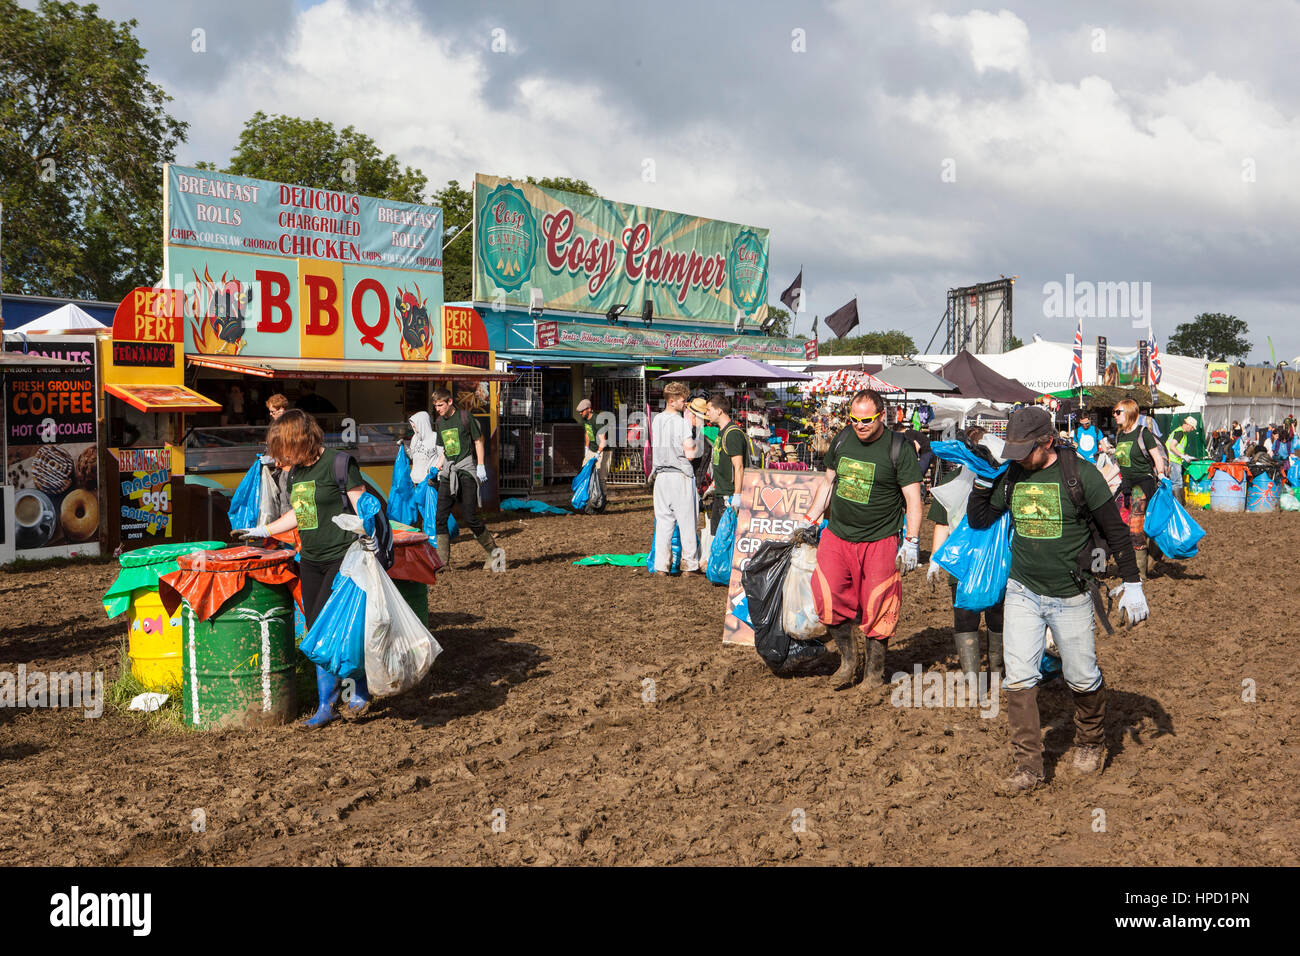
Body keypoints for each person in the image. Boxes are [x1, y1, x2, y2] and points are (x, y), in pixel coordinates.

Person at [968, 406, 1147, 793]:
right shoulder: (1014, 473)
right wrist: (982, 481)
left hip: (1072, 595)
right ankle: (1028, 767)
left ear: (1046, 442)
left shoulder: (1081, 475)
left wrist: (1132, 583)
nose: (1016, 459)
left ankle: (1090, 741)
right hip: (1022, 590)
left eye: (1024, 450)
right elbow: (980, 518)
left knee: (1081, 676)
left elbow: (1115, 532)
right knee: (1018, 679)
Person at [233, 409, 371, 728]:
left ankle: (341, 696)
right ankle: (334, 701)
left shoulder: (339, 464)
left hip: (343, 556)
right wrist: (263, 531)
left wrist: (371, 536)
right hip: (310, 559)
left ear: (299, 440)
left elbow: (363, 507)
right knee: (315, 628)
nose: (279, 456)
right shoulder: (296, 473)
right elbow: (301, 513)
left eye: (283, 446)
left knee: (332, 627)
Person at [799, 389, 923, 689]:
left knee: (879, 602)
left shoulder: (898, 447)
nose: (860, 425)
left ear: (882, 416)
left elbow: (913, 499)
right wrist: (808, 520)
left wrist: (912, 542)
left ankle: (874, 673)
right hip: (838, 535)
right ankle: (849, 661)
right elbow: (828, 483)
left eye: (866, 419)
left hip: (880, 539)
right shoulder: (842, 439)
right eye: (854, 419)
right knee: (826, 594)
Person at [926, 426, 1002, 681]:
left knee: (992, 616)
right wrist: (934, 563)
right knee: (969, 617)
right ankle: (975, 677)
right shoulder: (951, 483)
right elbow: (942, 524)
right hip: (968, 562)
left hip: (992, 560)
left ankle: (995, 672)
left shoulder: (1002, 480)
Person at [430, 388, 502, 570]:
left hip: (466, 471)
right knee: (440, 517)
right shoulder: (439, 423)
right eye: (436, 406)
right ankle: (442, 562)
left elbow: (478, 441)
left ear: (449, 402)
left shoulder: (464, 417)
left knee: (470, 516)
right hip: (448, 473)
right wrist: (436, 467)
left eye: (440, 405)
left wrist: (480, 466)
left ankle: (495, 553)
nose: (438, 409)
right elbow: (444, 450)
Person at [650, 382, 702, 574]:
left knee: (664, 523)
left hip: (661, 477)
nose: (685, 403)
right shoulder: (681, 423)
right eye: (682, 400)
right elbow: (690, 453)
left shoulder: (656, 420)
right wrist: (698, 442)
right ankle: (690, 564)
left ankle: (661, 566)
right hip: (680, 475)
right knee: (688, 522)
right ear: (672, 401)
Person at [1112, 398, 1167, 581]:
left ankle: (1140, 573)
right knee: (1119, 523)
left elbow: (1157, 458)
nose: (1115, 415)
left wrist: (1162, 475)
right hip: (1126, 486)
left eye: (1118, 412)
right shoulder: (1120, 435)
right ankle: (1149, 553)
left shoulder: (1144, 434)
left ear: (1129, 412)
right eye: (1114, 412)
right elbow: (1120, 464)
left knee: (1135, 528)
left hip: (1143, 484)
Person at [705, 392, 748, 535]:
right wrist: (714, 484)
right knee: (717, 535)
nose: (707, 414)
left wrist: (737, 495)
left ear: (719, 410)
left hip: (729, 495)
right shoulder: (721, 432)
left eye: (709, 410)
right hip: (720, 492)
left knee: (726, 537)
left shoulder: (732, 433)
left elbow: (739, 466)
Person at [575, 398, 609, 483]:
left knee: (601, 476)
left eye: (582, 411)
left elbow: (603, 441)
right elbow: (588, 433)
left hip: (604, 450)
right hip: (593, 448)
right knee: (585, 470)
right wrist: (587, 448)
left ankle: (602, 495)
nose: (580, 413)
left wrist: (597, 454)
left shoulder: (597, 420)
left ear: (589, 409)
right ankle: (587, 494)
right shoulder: (585, 419)